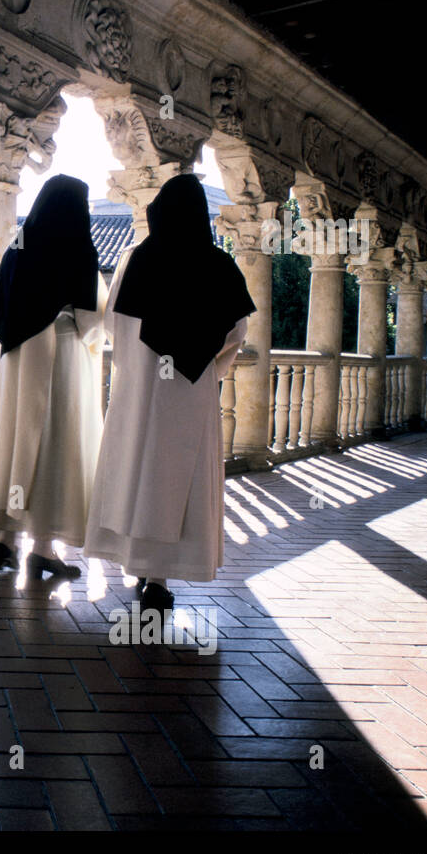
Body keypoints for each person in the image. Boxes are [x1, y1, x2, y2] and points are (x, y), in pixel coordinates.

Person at [85, 173, 255, 611]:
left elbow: (113, 327)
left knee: (138, 473)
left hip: (141, 392)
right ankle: (159, 579)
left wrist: (136, 369)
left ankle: (140, 564)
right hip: (191, 392)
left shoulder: (134, 259)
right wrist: (205, 369)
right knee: (181, 479)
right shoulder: (221, 266)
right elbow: (235, 334)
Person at [0, 175, 108, 581]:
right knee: (54, 447)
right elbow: (93, 321)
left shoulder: (19, 244)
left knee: (16, 441)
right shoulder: (77, 249)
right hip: (61, 358)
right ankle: (43, 549)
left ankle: (5, 540)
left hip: (16, 359)